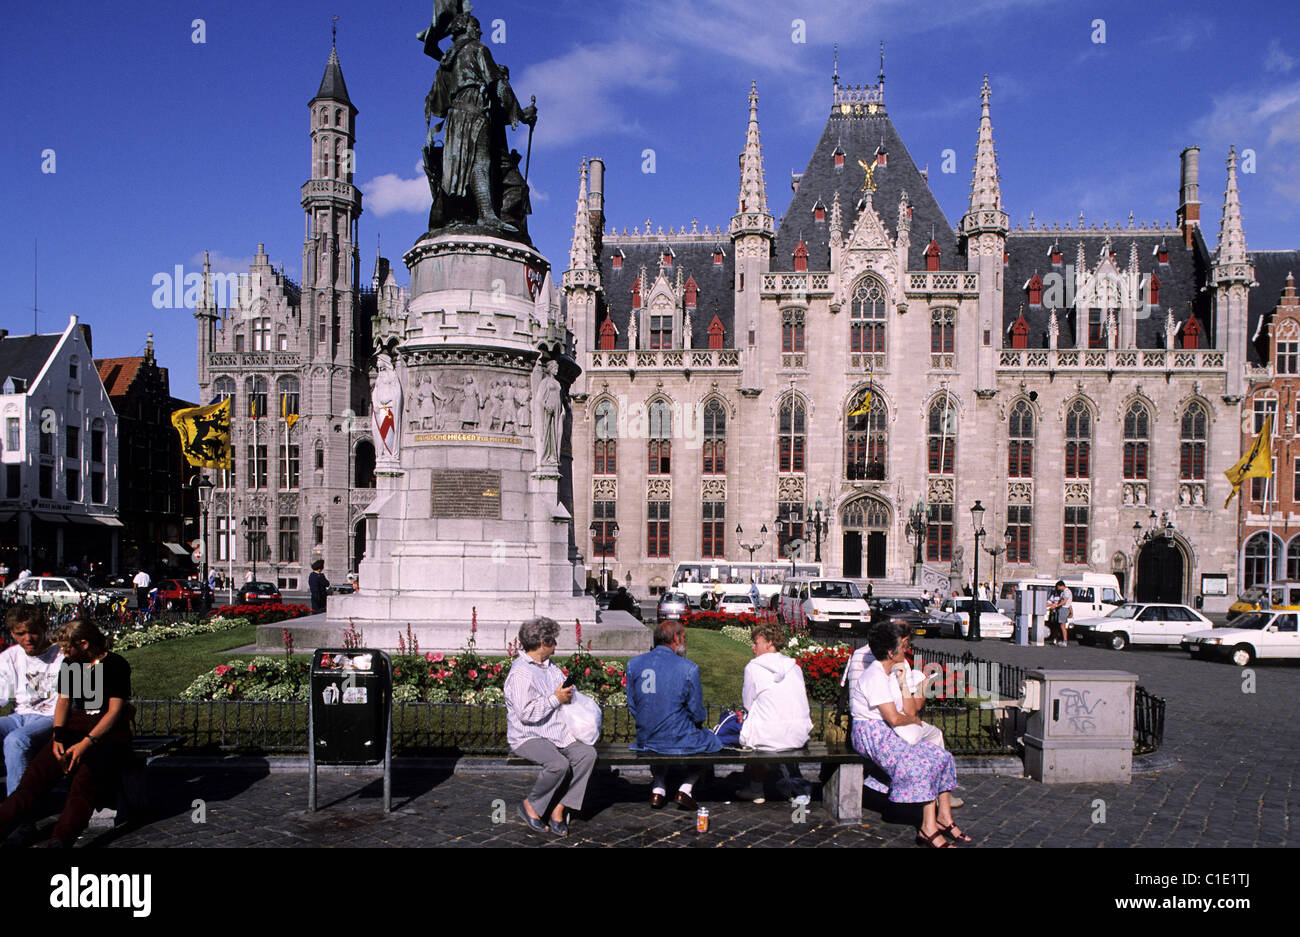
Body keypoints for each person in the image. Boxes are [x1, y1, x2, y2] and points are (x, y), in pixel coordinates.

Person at [0, 619, 133, 848]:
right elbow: (64, 701)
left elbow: (114, 712)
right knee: (33, 779)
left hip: (106, 732)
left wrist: (87, 744)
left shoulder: (115, 664)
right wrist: (58, 736)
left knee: (84, 781)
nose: (63, 652)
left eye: (67, 647)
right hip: (74, 727)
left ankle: (61, 839)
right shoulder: (71, 664)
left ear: (83, 644)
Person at [851, 621, 970, 847]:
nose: (907, 649)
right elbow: (896, 718)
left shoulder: (893, 672)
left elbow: (908, 709)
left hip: (889, 731)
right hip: (872, 734)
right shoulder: (875, 676)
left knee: (941, 757)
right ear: (890, 651)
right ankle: (928, 827)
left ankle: (944, 817)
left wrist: (904, 679)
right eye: (903, 645)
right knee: (921, 763)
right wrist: (913, 721)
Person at [503, 617, 596, 837]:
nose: (556, 644)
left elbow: (559, 691)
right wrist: (556, 698)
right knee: (558, 765)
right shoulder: (521, 673)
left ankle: (559, 808)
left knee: (587, 755)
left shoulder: (549, 666)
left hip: (556, 731)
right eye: (553, 640)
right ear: (543, 643)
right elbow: (526, 714)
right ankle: (531, 805)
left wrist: (567, 692)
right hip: (528, 735)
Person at [626, 620, 721, 809]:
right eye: (683, 637)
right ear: (675, 638)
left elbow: (632, 705)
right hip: (677, 737)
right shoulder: (688, 667)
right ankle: (685, 788)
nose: (684, 643)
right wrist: (698, 723)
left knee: (658, 736)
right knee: (712, 740)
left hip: (646, 737)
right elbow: (697, 712)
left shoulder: (634, 664)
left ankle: (658, 788)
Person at [735, 622, 812, 803]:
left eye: (756, 642)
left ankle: (756, 787)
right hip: (798, 734)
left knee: (753, 726)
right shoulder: (794, 667)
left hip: (768, 736)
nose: (753, 647)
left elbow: (748, 703)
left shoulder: (753, 668)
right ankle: (791, 782)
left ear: (770, 643)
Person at [0, 607, 62, 810]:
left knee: (16, 740)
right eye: (20, 633)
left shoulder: (60, 654)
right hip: (20, 716)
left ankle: (18, 815)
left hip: (50, 717)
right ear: (12, 633)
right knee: (14, 732)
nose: (28, 638)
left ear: (44, 629)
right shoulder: (10, 657)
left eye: (33, 631)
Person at [1045, 580, 1073, 646]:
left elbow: (1065, 601)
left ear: (1061, 586)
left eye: (1058, 587)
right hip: (1059, 609)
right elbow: (1050, 602)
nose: (1057, 589)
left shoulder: (1066, 591)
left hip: (1063, 608)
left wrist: (1056, 605)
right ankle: (1057, 639)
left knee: (1062, 625)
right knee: (1056, 625)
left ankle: (1065, 641)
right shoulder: (1062, 592)